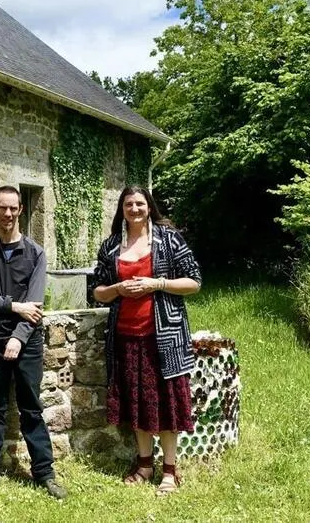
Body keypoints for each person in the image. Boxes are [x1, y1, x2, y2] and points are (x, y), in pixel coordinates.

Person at [92, 185, 202, 495]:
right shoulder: (111, 246)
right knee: (136, 402)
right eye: (129, 204)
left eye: (140, 203)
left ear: (149, 206)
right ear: (122, 209)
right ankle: (144, 465)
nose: (135, 209)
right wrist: (118, 289)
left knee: (167, 405)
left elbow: (194, 282)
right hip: (125, 336)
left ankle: (169, 470)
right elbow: (97, 291)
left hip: (163, 337)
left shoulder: (168, 240)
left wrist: (157, 283)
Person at [0, 185, 66, 500]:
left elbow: (35, 306)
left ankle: (45, 473)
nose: (8, 214)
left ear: (21, 210)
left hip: (27, 343)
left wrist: (18, 337)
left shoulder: (35, 253)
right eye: (2, 208)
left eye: (13, 208)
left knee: (31, 408)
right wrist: (14, 306)